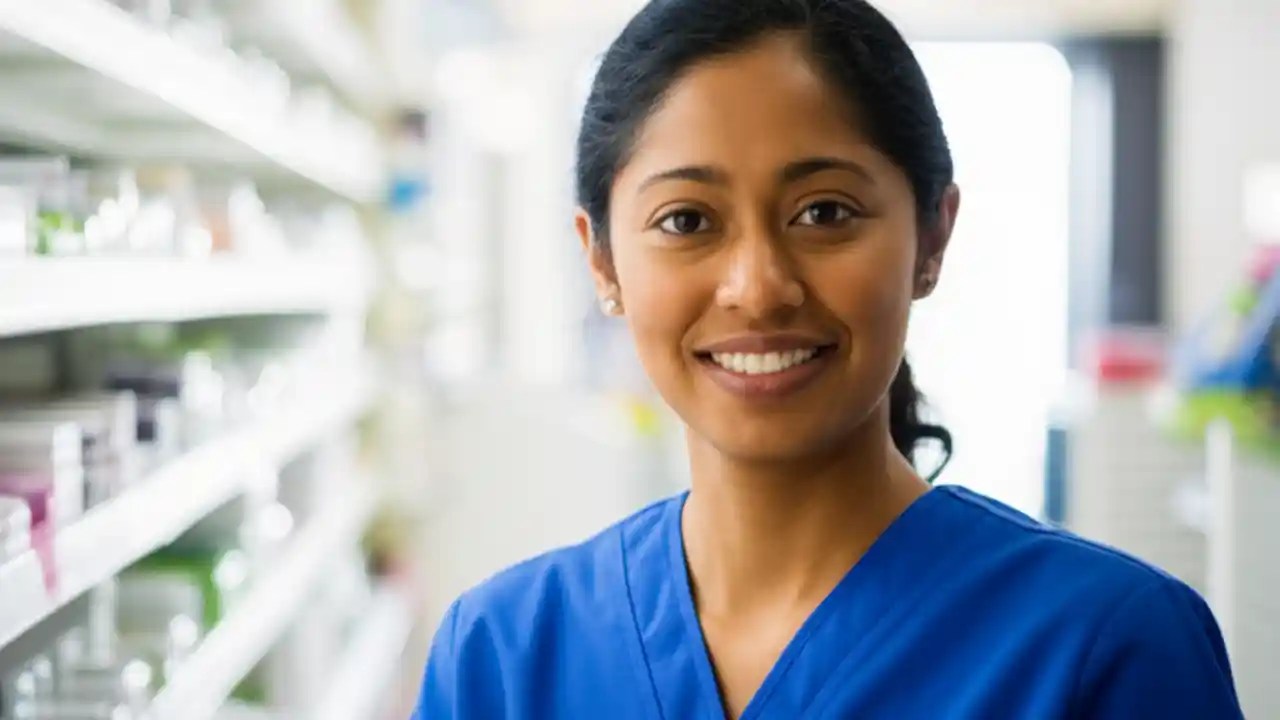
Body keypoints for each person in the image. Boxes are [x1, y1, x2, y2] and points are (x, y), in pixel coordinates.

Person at [414, 1, 1244, 717]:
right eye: (687, 221)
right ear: (601, 262)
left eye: (823, 211)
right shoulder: (503, 657)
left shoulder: (1107, 650)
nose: (758, 287)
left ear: (932, 237)